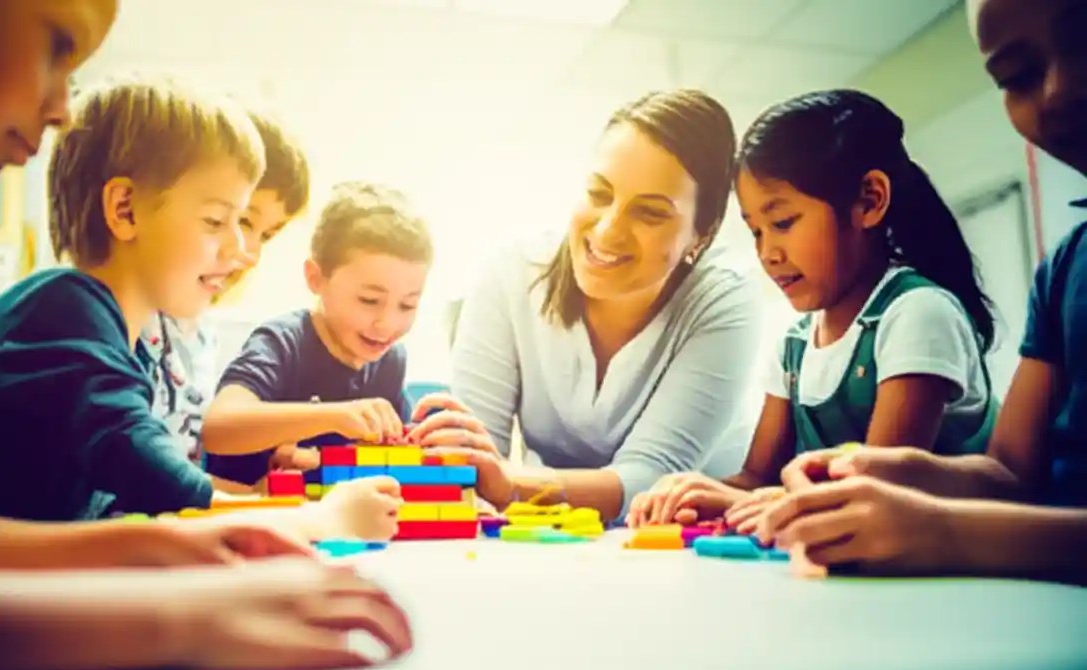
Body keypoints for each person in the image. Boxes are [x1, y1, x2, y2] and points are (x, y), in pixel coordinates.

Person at [0, 0, 410, 670]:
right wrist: (204, 594)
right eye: (57, 44)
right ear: (122, 211)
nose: (63, 105)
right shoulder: (63, 305)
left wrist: (169, 551)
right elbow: (154, 474)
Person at [0, 80, 398, 540]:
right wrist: (319, 518)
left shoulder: (130, 345)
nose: (240, 248)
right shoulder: (60, 312)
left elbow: (143, 499)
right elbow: (166, 485)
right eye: (218, 222)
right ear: (125, 210)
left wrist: (268, 502)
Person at [757, 0, 1087, 585]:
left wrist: (946, 529)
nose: (1059, 91)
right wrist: (880, 468)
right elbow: (1013, 476)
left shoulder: (915, 309)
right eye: (1017, 77)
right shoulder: (1064, 268)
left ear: (870, 202)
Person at [627, 89, 1000, 531]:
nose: (768, 253)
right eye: (756, 232)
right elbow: (755, 479)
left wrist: (763, 500)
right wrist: (697, 493)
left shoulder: (916, 312)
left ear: (870, 200)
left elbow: (877, 487)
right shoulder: (796, 343)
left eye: (783, 223)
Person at [408, 89, 760, 526]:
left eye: (649, 213)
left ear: (701, 236)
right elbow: (472, 456)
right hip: (555, 533)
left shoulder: (725, 299)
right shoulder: (510, 275)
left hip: (691, 540)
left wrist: (512, 485)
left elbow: (651, 477)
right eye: (599, 193)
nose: (609, 230)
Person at [203, 181, 432, 484]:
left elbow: (389, 459)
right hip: (245, 513)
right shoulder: (282, 343)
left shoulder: (389, 361)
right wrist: (333, 416)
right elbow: (218, 428)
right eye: (369, 300)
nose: (387, 323)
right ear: (316, 278)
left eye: (407, 305)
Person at [142, 110, 311, 475]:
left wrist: (262, 489)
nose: (249, 253)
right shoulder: (126, 321)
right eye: (240, 221)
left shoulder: (201, 335)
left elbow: (181, 479)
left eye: (266, 235)